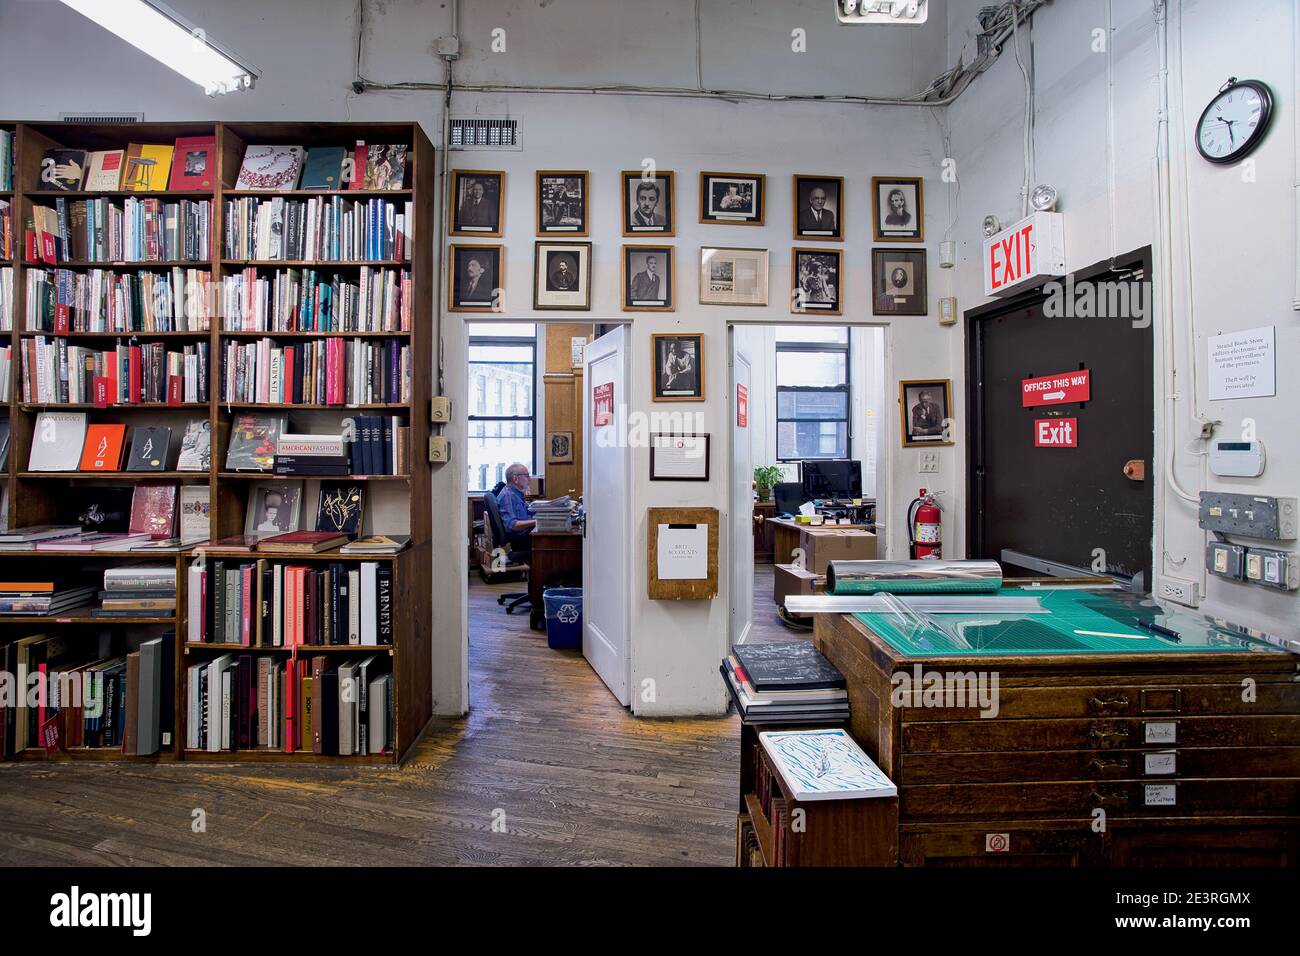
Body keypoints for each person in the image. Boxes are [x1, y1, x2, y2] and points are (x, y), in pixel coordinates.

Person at [495, 462, 536, 544]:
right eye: (527, 476)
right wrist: (537, 521)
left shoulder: (517, 494)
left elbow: (527, 511)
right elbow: (513, 525)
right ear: (515, 479)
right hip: (523, 538)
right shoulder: (507, 496)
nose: (530, 479)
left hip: (527, 533)